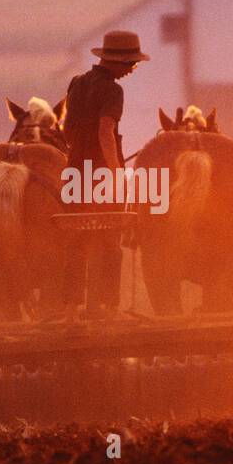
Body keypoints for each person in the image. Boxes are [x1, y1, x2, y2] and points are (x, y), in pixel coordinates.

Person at [61, 30, 149, 317]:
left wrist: (79, 156)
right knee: (110, 241)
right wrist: (116, 173)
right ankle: (107, 306)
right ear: (117, 62)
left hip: (74, 173)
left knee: (75, 239)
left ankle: (71, 305)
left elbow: (67, 130)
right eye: (131, 64)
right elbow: (105, 130)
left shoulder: (76, 84)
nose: (133, 70)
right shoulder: (113, 90)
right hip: (101, 177)